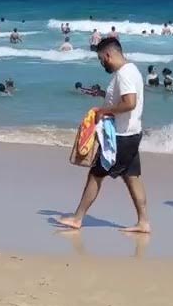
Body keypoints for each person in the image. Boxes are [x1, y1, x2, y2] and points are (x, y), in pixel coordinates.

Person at [57, 38, 150, 233]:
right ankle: (143, 222)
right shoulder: (131, 70)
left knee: (96, 174)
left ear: (109, 55)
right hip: (132, 133)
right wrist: (102, 95)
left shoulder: (123, 74)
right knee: (132, 176)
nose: (102, 64)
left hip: (121, 136)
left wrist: (104, 111)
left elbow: (130, 103)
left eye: (101, 60)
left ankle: (78, 218)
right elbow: (123, 100)